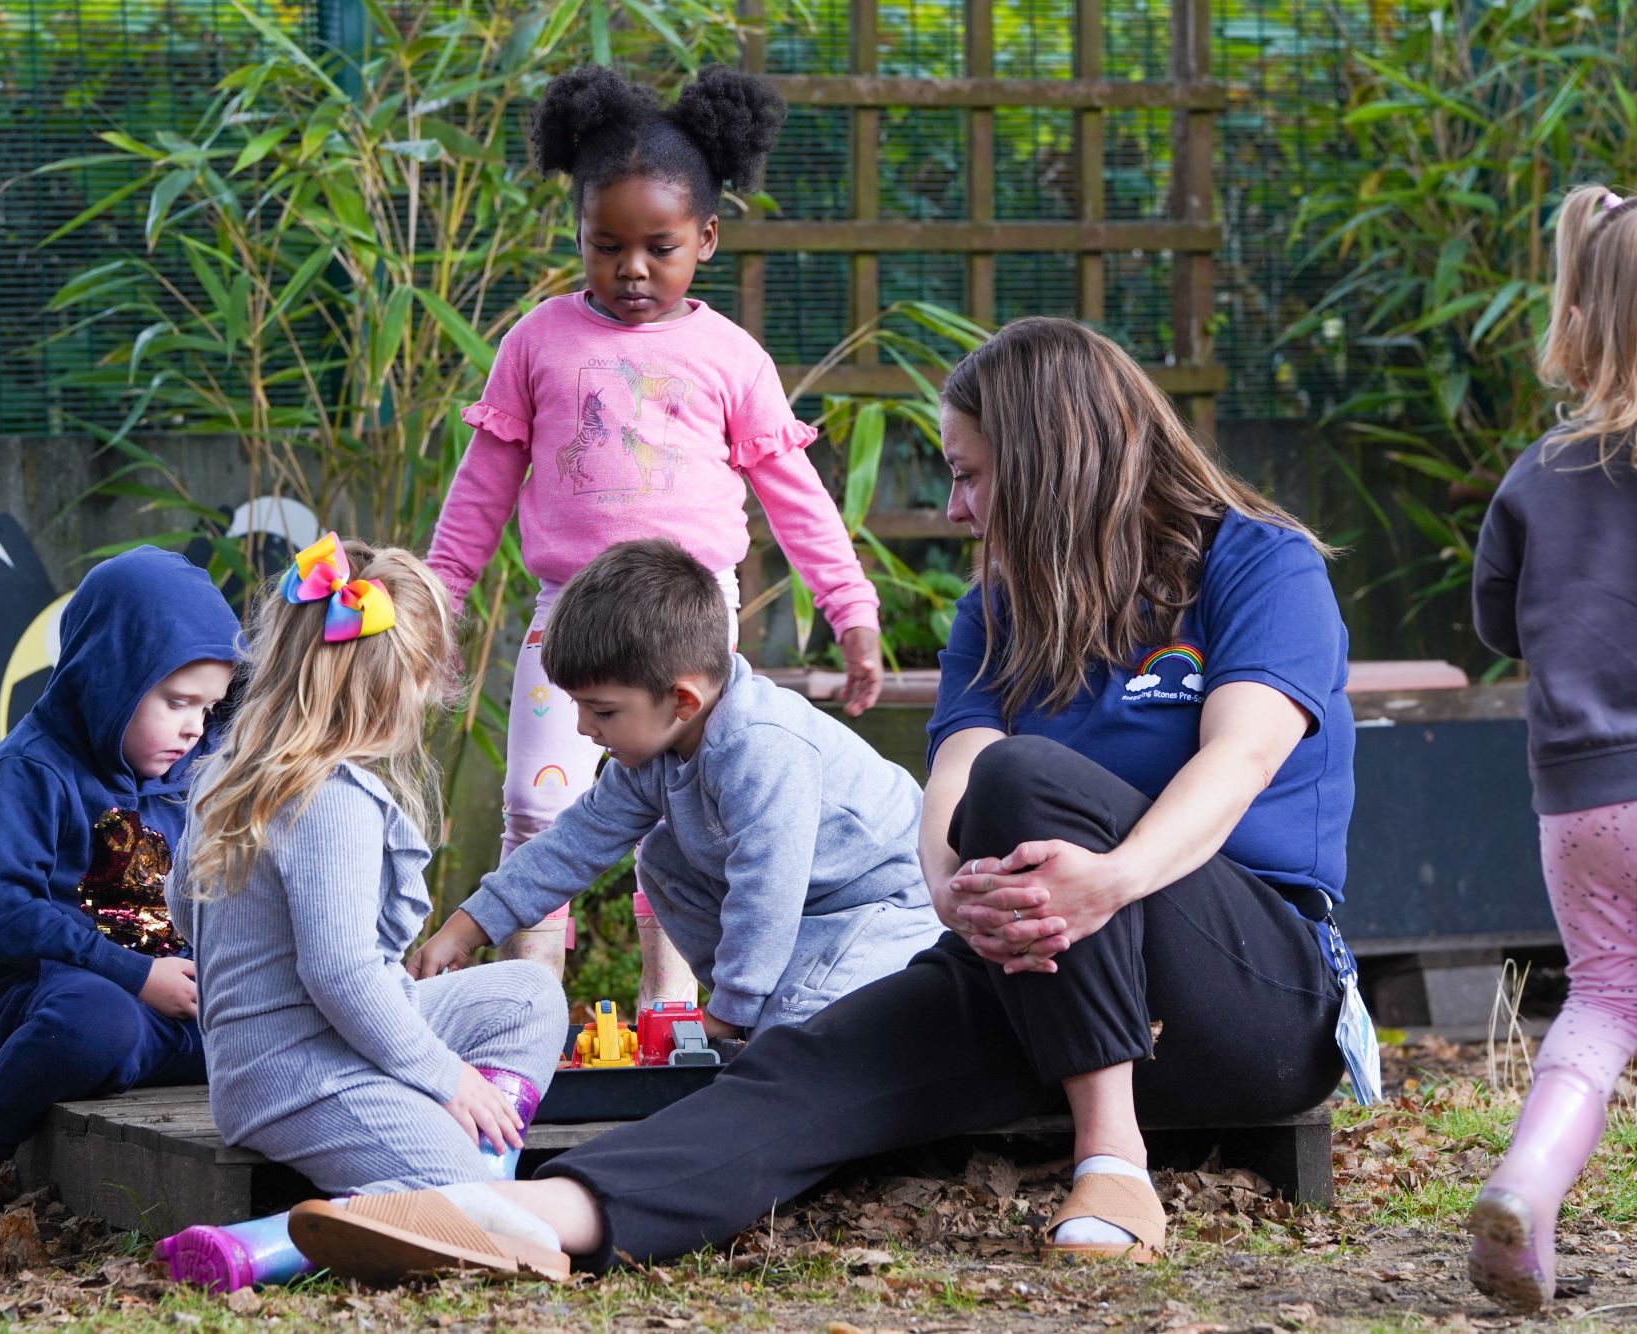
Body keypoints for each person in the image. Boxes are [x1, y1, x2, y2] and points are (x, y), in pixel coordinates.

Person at [290, 315, 1359, 1283]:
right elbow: (946, 783)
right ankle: (533, 1214)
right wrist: (948, 898)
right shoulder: (999, 609)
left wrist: (1111, 878)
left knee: (1025, 782)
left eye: (969, 473)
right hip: (1038, 967)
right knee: (811, 1061)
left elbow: (1239, 763)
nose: (953, 505)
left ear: (1050, 462)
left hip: (1245, 989)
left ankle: (1112, 1159)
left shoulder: (1254, 564)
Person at [425, 62, 884, 1003]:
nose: (632, 269)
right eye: (606, 246)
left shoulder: (729, 356)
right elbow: (482, 488)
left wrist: (852, 609)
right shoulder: (537, 343)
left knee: (690, 823)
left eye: (660, 247)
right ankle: (528, 1011)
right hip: (570, 626)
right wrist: (440, 597)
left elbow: (794, 494)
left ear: (706, 239)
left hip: (691, 627)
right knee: (540, 811)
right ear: (580, 235)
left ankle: (675, 1008)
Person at [155, 534, 572, 1292]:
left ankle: (484, 1178)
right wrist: (446, 1078)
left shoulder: (222, 781)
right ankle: (263, 1244)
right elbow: (342, 973)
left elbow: (186, 912)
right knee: (456, 1195)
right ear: (394, 684)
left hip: (304, 1049)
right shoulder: (330, 801)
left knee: (528, 995)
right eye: (424, 676)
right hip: (298, 1074)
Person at [411, 538, 939, 1040]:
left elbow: (767, 892)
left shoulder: (761, 748)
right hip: (805, 919)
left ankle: (758, 1008)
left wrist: (729, 1016)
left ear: (682, 700)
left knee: (795, 1039)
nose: (582, 729)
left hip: (881, 910)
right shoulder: (652, 755)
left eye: (602, 711)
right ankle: (758, 1002)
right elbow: (572, 845)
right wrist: (466, 927)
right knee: (662, 856)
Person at [0, 547, 241, 1233]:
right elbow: (8, 917)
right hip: (64, 995)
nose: (196, 726)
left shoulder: (191, 764)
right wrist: (135, 974)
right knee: (94, 1023)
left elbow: (275, 703)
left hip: (181, 1005)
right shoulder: (24, 774)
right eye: (177, 702)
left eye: (209, 706)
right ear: (110, 676)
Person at [1465, 183, 1637, 1315]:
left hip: (1583, 800)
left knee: (1605, 997)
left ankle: (1526, 1187)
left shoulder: (1537, 472)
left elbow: (1493, 620)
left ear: (1573, 321)